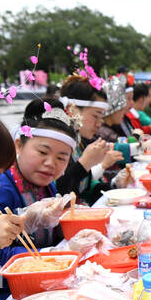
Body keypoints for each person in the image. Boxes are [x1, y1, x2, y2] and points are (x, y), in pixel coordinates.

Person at [0, 101, 77, 276]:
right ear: (19, 145)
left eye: (62, 158)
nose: (50, 163)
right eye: (43, 152)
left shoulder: (48, 185)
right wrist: (53, 255)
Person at [56, 76, 123, 204]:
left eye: (101, 117)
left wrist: (116, 184)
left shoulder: (79, 140)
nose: (99, 124)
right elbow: (59, 192)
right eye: (95, 116)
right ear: (71, 109)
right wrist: (84, 163)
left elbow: (84, 190)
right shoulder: (58, 143)